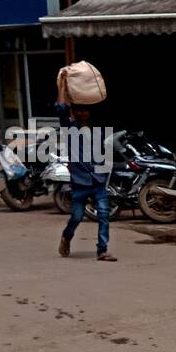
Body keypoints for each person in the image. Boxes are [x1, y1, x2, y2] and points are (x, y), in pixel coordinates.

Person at [55, 100, 116, 262]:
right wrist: (62, 85)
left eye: (85, 110)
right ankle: (66, 237)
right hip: (80, 182)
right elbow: (60, 108)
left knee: (103, 214)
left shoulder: (97, 129)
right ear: (73, 112)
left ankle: (102, 250)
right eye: (78, 110)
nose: (82, 113)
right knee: (77, 216)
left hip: (98, 180)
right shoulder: (69, 129)